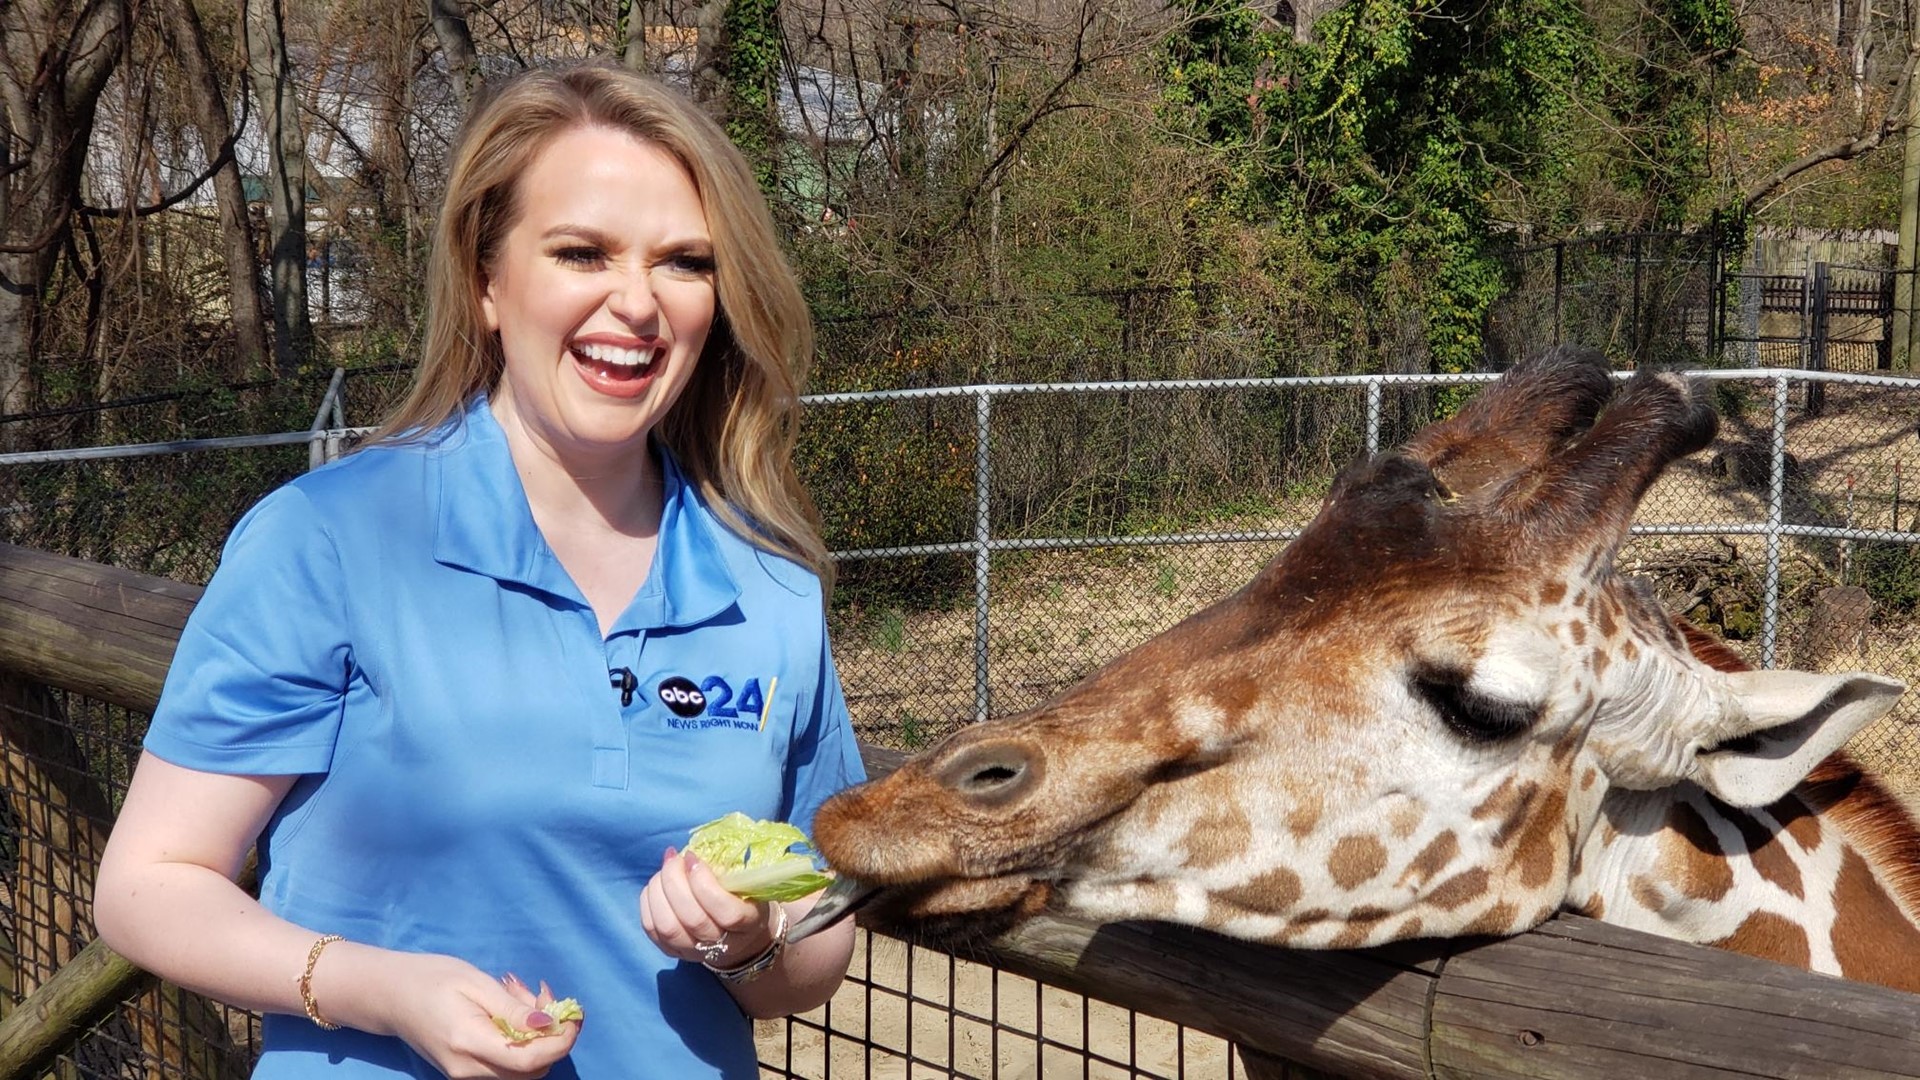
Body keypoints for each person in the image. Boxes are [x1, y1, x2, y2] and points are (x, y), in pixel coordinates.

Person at [93, 60, 865, 1079]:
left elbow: (820, 943)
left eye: (685, 262)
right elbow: (148, 883)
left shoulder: (770, 585)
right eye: (582, 252)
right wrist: (384, 988)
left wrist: (752, 939)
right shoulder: (330, 540)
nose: (637, 303)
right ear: (486, 281)